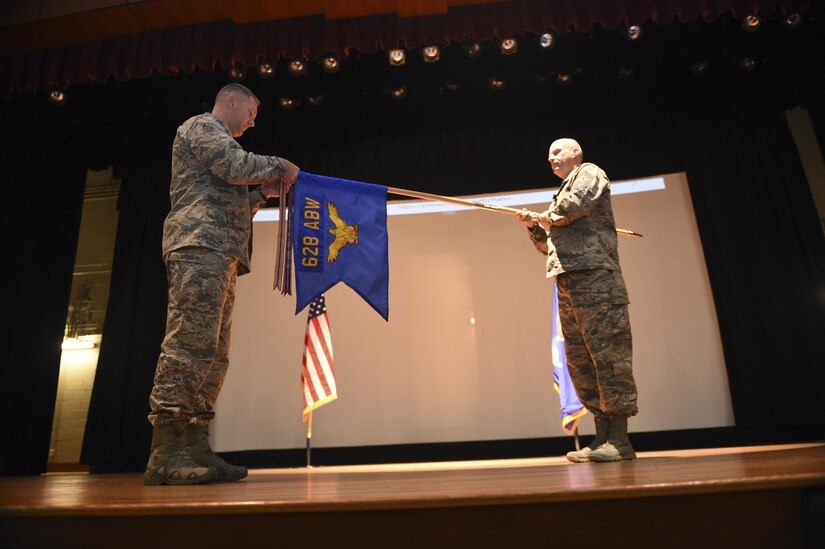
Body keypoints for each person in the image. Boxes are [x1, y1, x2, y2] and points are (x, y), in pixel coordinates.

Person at [144, 83, 300, 485]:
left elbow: (228, 199)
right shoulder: (202, 127)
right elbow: (234, 167)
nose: (251, 122)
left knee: (214, 353)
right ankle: (165, 453)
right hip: (198, 246)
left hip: (221, 252)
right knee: (189, 345)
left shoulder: (221, 142)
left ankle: (194, 445)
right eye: (250, 113)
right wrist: (280, 167)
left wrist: (260, 195)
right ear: (231, 100)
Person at [517, 138, 638, 463]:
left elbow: (576, 205)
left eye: (557, 152)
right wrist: (534, 226)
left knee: (608, 356)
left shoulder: (588, 174)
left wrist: (547, 215)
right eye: (548, 156)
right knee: (581, 361)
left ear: (576, 153)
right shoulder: (559, 199)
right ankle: (601, 439)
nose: (551, 159)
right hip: (569, 282)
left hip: (596, 278)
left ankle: (621, 441)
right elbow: (548, 248)